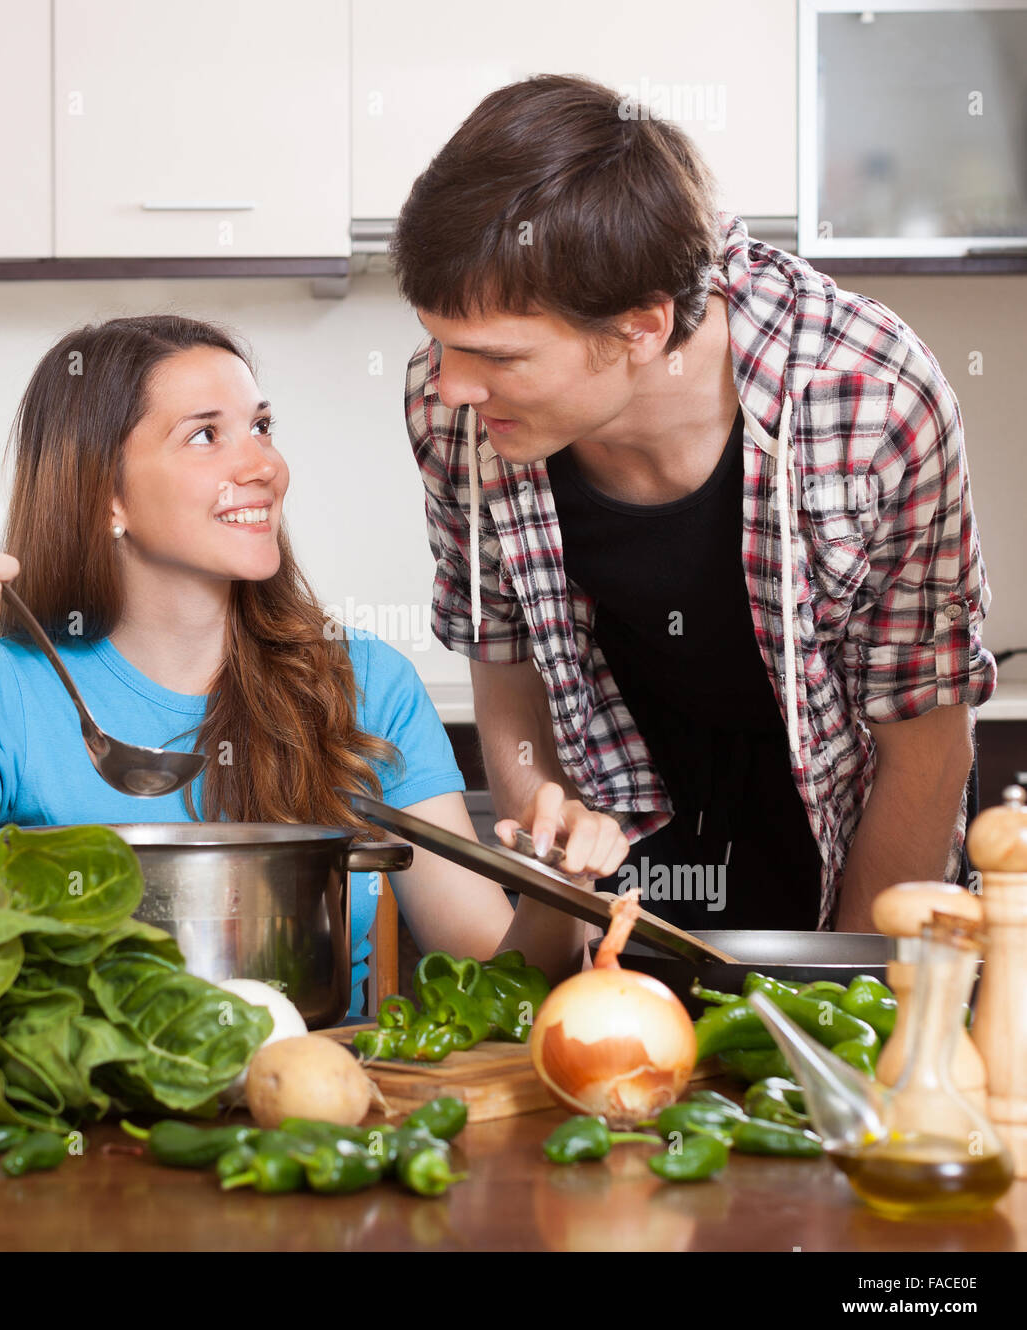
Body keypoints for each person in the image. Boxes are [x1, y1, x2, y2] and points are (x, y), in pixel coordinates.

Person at [0, 314, 604, 1009]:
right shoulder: (0, 689)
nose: (265, 464)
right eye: (206, 435)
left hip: (321, 1115)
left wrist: (560, 892)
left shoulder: (364, 683)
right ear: (107, 496)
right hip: (80, 1129)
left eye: (262, 425)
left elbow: (512, 986)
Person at [390, 75, 995, 936]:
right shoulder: (451, 407)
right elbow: (508, 670)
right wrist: (553, 827)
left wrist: (852, 996)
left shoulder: (871, 404)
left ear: (642, 325)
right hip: (631, 859)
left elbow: (926, 746)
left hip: (837, 840)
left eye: (496, 355)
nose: (450, 385)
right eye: (439, 341)